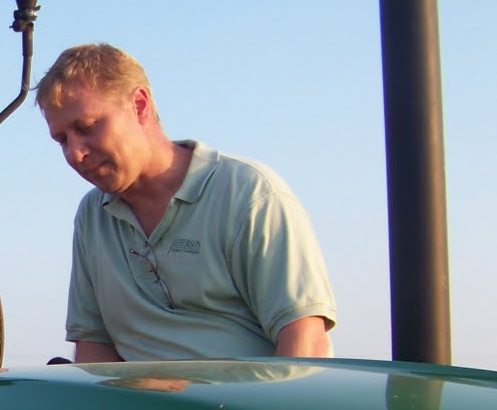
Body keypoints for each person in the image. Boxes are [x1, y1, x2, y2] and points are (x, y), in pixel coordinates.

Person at [36, 43, 336, 362]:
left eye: (86, 128)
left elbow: (304, 340)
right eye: (62, 140)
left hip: (246, 406)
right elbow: (94, 346)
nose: (75, 153)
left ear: (139, 105)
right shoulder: (92, 216)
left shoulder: (249, 192)